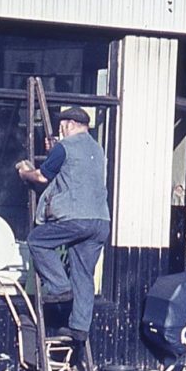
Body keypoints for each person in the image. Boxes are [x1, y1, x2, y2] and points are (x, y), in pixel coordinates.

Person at [16, 107, 111, 344]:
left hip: (75, 218)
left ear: (67, 125)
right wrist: (54, 152)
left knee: (37, 240)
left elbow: (41, 177)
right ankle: (79, 328)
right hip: (100, 221)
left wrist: (24, 172)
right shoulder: (97, 149)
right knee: (83, 273)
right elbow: (71, 173)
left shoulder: (64, 148)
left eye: (62, 127)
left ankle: (59, 287)